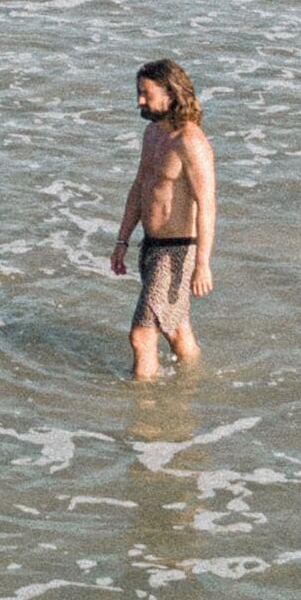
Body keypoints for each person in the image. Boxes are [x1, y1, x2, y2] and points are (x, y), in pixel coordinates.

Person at [110, 58, 215, 377]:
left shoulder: (190, 142)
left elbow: (207, 204)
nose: (139, 100)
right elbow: (140, 187)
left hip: (178, 252)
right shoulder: (152, 134)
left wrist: (202, 263)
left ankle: (145, 416)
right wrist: (122, 240)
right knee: (175, 328)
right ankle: (196, 384)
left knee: (142, 335)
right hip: (151, 247)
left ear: (170, 94)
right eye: (138, 92)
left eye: (146, 93)